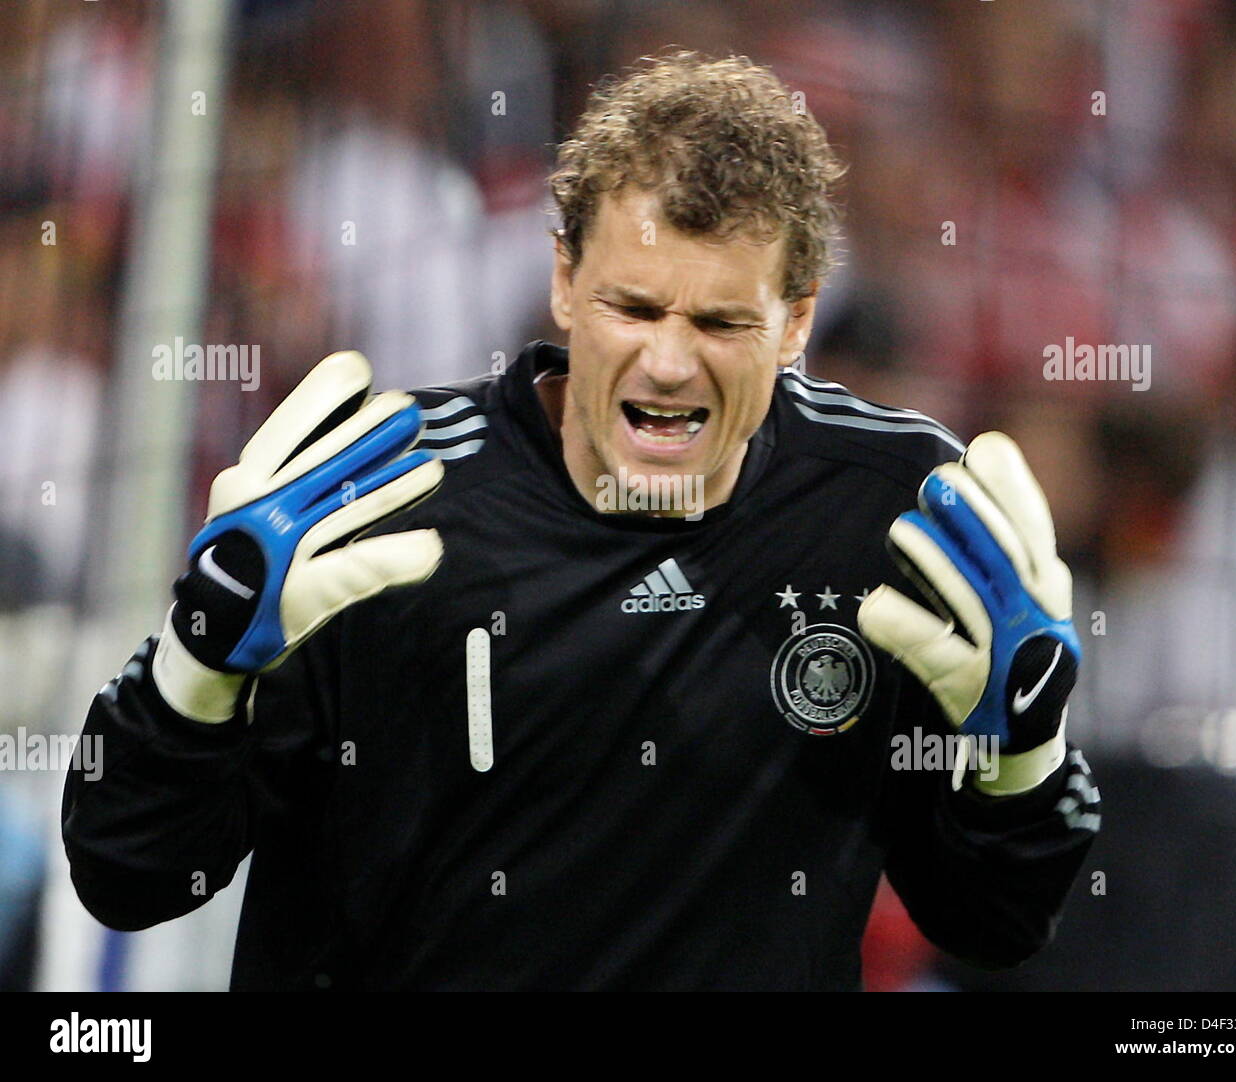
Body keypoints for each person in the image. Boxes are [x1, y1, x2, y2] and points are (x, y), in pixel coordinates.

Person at [62, 52, 1099, 991]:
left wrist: (1022, 757)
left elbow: (994, 923)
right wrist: (194, 669)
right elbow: (131, 873)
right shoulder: (375, 501)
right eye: (634, 307)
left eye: (720, 322)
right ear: (563, 280)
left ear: (797, 317)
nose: (666, 360)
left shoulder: (890, 514)